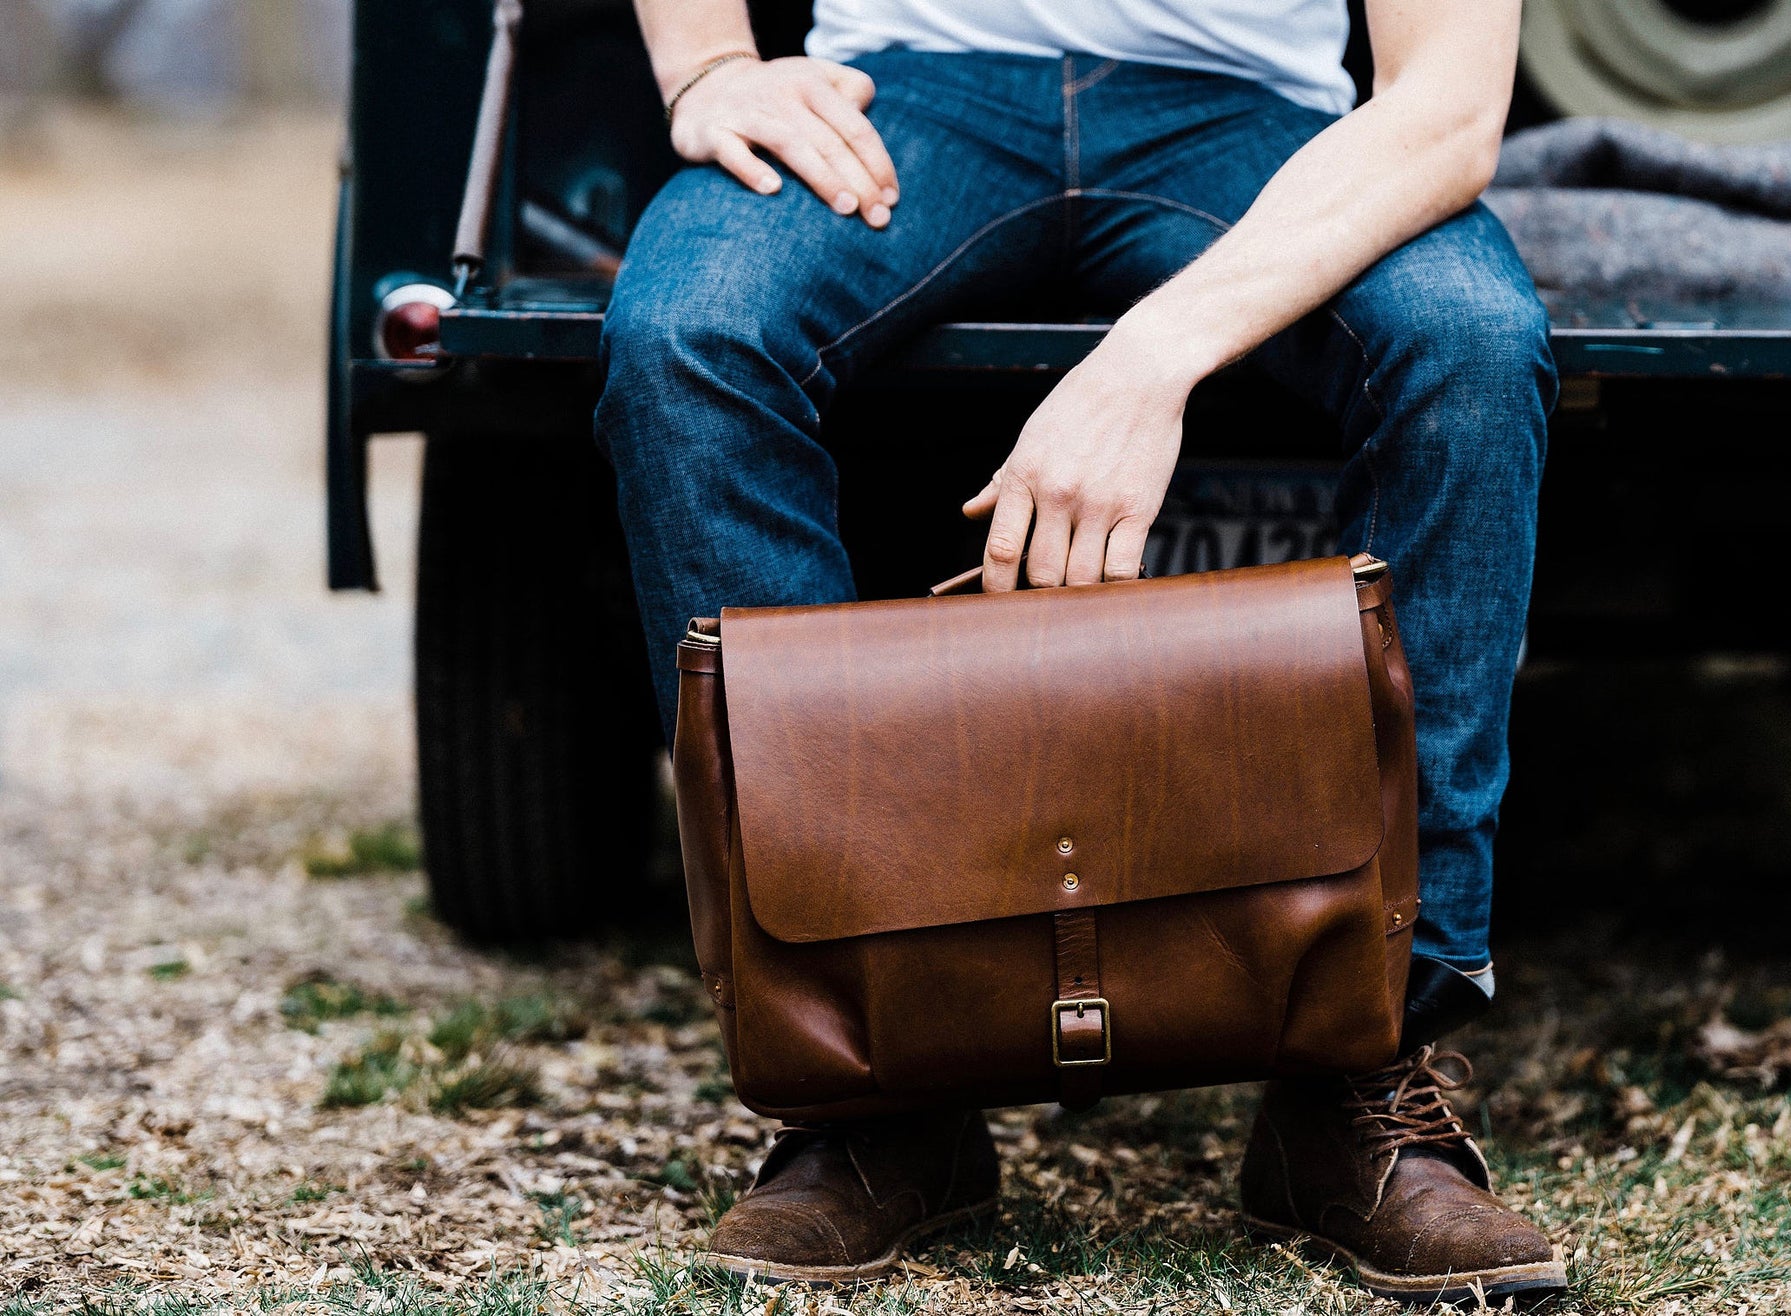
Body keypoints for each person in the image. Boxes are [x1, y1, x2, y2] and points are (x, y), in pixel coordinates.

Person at [598, 0, 1558, 1301]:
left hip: (1251, 117)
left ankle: (1360, 1075)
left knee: (1472, 345)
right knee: (688, 337)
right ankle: (871, 1095)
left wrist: (1145, 362)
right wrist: (705, 63)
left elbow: (1447, 103)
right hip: (904, 99)